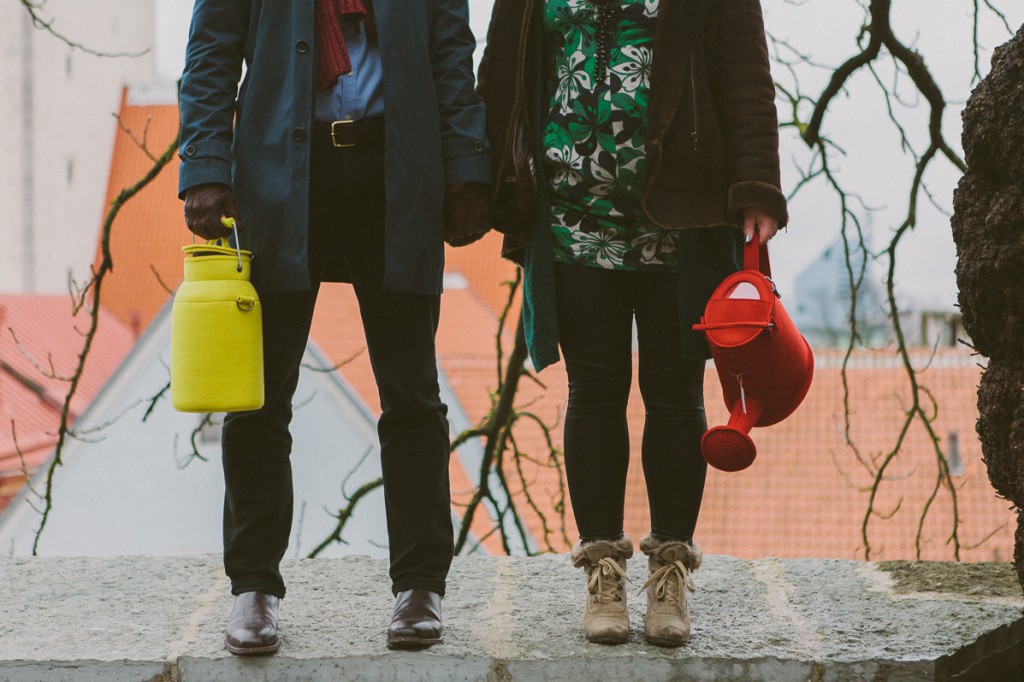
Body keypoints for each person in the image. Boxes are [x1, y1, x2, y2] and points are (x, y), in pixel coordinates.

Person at [178, 0, 491, 654]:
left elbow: (451, 57)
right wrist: (204, 165)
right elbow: (210, 53)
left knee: (411, 391)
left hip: (394, 172)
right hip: (280, 177)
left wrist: (465, 166)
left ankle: (420, 584)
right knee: (259, 395)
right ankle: (254, 588)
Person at [479, 0, 787, 647]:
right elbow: (502, 67)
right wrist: (487, 181)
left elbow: (745, 70)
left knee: (675, 393)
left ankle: (670, 571)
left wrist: (756, 185)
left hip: (683, 215)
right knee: (594, 391)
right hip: (570, 215)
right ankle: (604, 574)